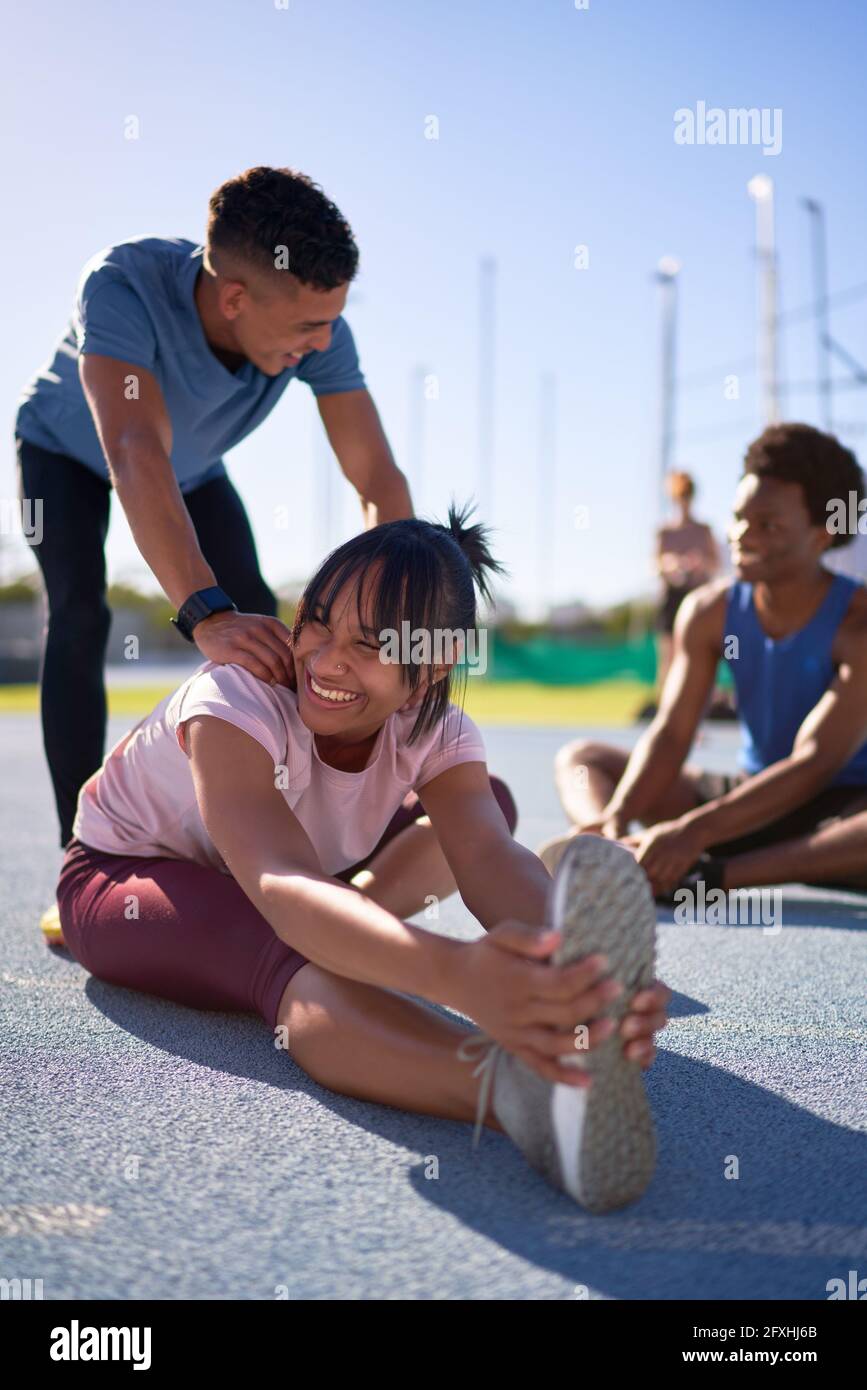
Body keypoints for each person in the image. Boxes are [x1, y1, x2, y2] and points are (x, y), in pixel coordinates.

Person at [53, 505, 670, 1211]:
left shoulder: (437, 730)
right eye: (315, 619)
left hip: (299, 873)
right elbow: (278, 883)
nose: (325, 658)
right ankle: (514, 1091)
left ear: (434, 667)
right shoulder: (235, 698)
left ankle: (361, 932)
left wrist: (575, 981)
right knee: (290, 944)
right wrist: (456, 974)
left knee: (486, 804)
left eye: (371, 643)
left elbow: (486, 856)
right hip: (126, 881)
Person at [15, 165, 412, 853]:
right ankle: (83, 851)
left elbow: (375, 474)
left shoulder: (319, 329)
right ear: (234, 298)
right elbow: (137, 448)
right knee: (79, 612)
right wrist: (204, 611)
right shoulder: (121, 285)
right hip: (63, 455)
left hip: (193, 470)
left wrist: (404, 610)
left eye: (332, 322)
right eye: (308, 326)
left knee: (268, 628)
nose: (322, 342)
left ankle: (298, 828)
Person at [538, 424, 867, 899]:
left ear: (823, 534)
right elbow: (673, 733)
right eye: (738, 518)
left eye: (768, 525)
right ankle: (612, 851)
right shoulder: (709, 610)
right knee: (583, 760)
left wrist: (693, 833)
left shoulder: (858, 622)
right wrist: (617, 814)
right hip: (746, 802)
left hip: (840, 809)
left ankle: (707, 877)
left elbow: (814, 762)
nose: (741, 536)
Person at [637, 469, 720, 719]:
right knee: (668, 657)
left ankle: (703, 713)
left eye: (687, 496)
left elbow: (715, 564)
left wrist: (699, 563)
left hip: (697, 597)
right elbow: (655, 565)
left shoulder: (703, 530)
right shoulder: (665, 531)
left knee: (701, 655)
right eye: (680, 496)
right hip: (671, 598)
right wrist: (670, 565)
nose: (684, 502)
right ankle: (665, 714)